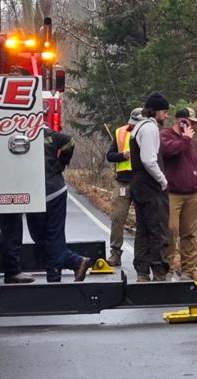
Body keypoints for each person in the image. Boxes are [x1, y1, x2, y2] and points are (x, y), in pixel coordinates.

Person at [29, 127, 92, 283]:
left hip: (44, 193)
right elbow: (69, 141)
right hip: (48, 191)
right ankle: (75, 261)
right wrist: (62, 162)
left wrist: (61, 162)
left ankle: (54, 276)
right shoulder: (48, 134)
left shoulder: (23, 133)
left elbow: (69, 140)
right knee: (44, 237)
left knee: (50, 237)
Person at [129, 92, 172, 282]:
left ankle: (142, 270)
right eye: (164, 111)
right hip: (150, 185)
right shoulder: (149, 129)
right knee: (157, 228)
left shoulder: (138, 127)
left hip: (138, 185)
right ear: (154, 111)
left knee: (143, 228)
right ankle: (159, 270)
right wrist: (162, 180)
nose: (166, 115)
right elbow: (148, 160)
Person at [161, 106, 197, 281]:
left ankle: (188, 269)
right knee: (171, 230)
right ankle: (169, 267)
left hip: (193, 193)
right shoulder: (166, 136)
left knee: (189, 233)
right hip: (173, 193)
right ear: (181, 121)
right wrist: (185, 139)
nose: (192, 127)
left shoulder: (191, 141)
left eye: (194, 124)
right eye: (190, 122)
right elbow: (168, 151)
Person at [103, 107, 143, 266]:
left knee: (145, 220)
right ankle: (115, 252)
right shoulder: (120, 132)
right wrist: (123, 155)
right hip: (123, 182)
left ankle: (143, 256)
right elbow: (110, 155)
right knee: (118, 217)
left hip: (142, 182)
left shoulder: (149, 133)